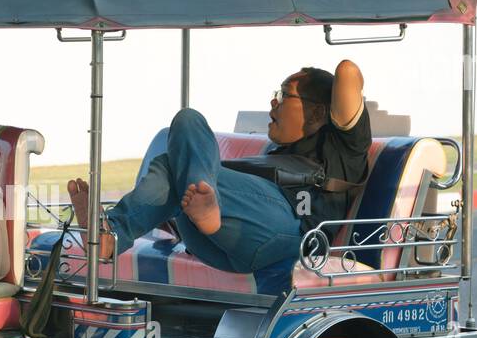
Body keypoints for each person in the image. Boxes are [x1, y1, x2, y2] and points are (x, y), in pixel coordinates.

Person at [68, 59, 371, 275]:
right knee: (186, 126)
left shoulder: (343, 145)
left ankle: (122, 231)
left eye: (282, 94)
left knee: (179, 150)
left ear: (318, 112)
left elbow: (348, 71)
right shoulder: (276, 152)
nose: (272, 103)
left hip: (290, 238)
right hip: (218, 243)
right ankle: (113, 235)